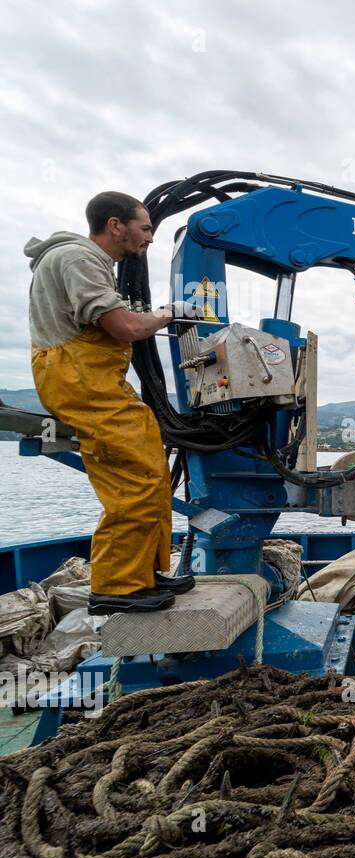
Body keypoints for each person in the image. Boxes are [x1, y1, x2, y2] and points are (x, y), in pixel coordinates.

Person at [26, 191, 193, 614]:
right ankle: (117, 587)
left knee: (153, 468)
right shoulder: (78, 259)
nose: (150, 238)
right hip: (79, 379)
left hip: (94, 378)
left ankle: (143, 573)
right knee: (133, 479)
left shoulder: (87, 262)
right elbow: (121, 326)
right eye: (145, 228)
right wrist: (167, 314)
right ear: (115, 225)